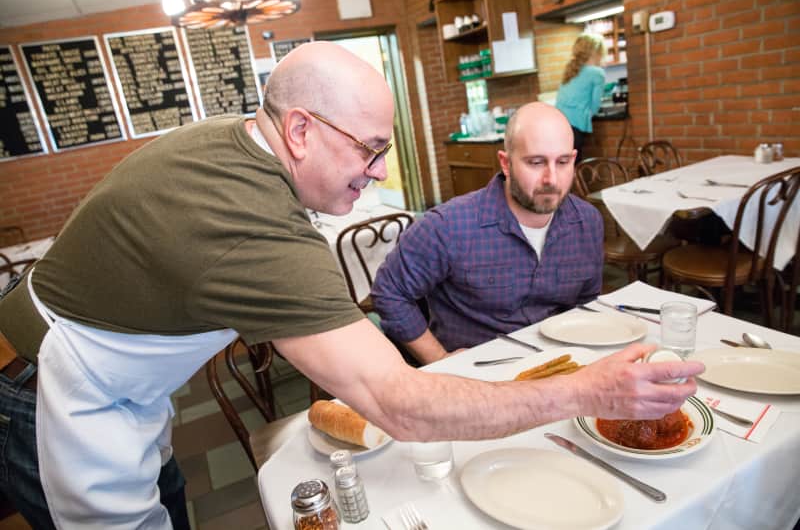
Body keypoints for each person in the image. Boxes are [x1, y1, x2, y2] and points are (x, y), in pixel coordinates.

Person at [0, 42, 703, 529]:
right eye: (369, 149)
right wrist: (587, 391)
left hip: (119, 380)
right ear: (300, 129)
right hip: (52, 389)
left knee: (169, 499)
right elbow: (400, 405)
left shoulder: (241, 149)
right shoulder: (250, 222)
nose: (376, 173)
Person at [370, 102, 603, 365]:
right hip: (477, 377)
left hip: (557, 366)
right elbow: (389, 292)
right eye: (536, 162)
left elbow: (586, 304)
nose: (552, 178)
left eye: (562, 162)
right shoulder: (447, 227)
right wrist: (440, 358)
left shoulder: (587, 222)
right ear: (506, 163)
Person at [555, 33, 606, 163]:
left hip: (558, 124)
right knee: (575, 167)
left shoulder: (570, 69)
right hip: (575, 127)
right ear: (596, 53)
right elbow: (595, 107)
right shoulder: (597, 73)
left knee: (564, 167)